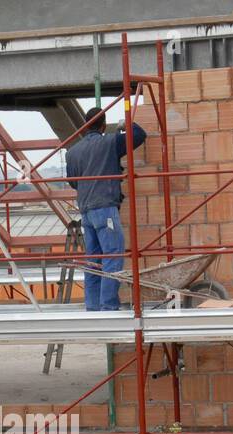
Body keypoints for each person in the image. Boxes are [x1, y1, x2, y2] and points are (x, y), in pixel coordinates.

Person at [65, 106, 146, 311]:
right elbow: (139, 135)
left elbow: (74, 182)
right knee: (113, 256)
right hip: (105, 209)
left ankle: (92, 307)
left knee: (93, 261)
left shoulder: (72, 152)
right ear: (103, 125)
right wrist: (125, 125)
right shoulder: (110, 142)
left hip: (86, 212)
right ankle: (108, 306)